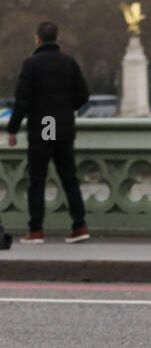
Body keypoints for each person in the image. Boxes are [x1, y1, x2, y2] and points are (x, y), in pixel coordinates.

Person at [6, 21, 90, 243]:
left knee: (38, 180)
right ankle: (79, 226)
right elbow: (83, 95)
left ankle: (35, 230)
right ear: (57, 39)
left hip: (45, 125)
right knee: (69, 178)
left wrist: (12, 128)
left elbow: (22, 100)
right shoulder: (69, 63)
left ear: (38, 39)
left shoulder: (32, 64)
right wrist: (65, 108)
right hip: (62, 125)